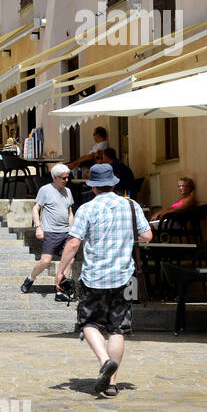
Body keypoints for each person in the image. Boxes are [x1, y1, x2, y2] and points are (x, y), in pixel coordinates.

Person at [57, 163, 153, 398]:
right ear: (114, 183)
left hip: (95, 277)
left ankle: (104, 360)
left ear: (93, 186)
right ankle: (111, 383)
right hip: (124, 276)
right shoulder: (131, 206)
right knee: (118, 329)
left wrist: (61, 271)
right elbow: (147, 236)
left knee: (88, 323)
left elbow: (73, 243)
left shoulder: (86, 209)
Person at [22, 164, 77, 301]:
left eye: (67, 177)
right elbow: (36, 209)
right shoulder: (45, 190)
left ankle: (60, 291)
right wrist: (38, 227)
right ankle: (31, 278)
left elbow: (70, 212)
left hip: (66, 232)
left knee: (69, 261)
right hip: (50, 232)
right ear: (55, 177)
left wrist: (73, 229)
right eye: (63, 178)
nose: (66, 180)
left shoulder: (68, 191)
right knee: (45, 261)